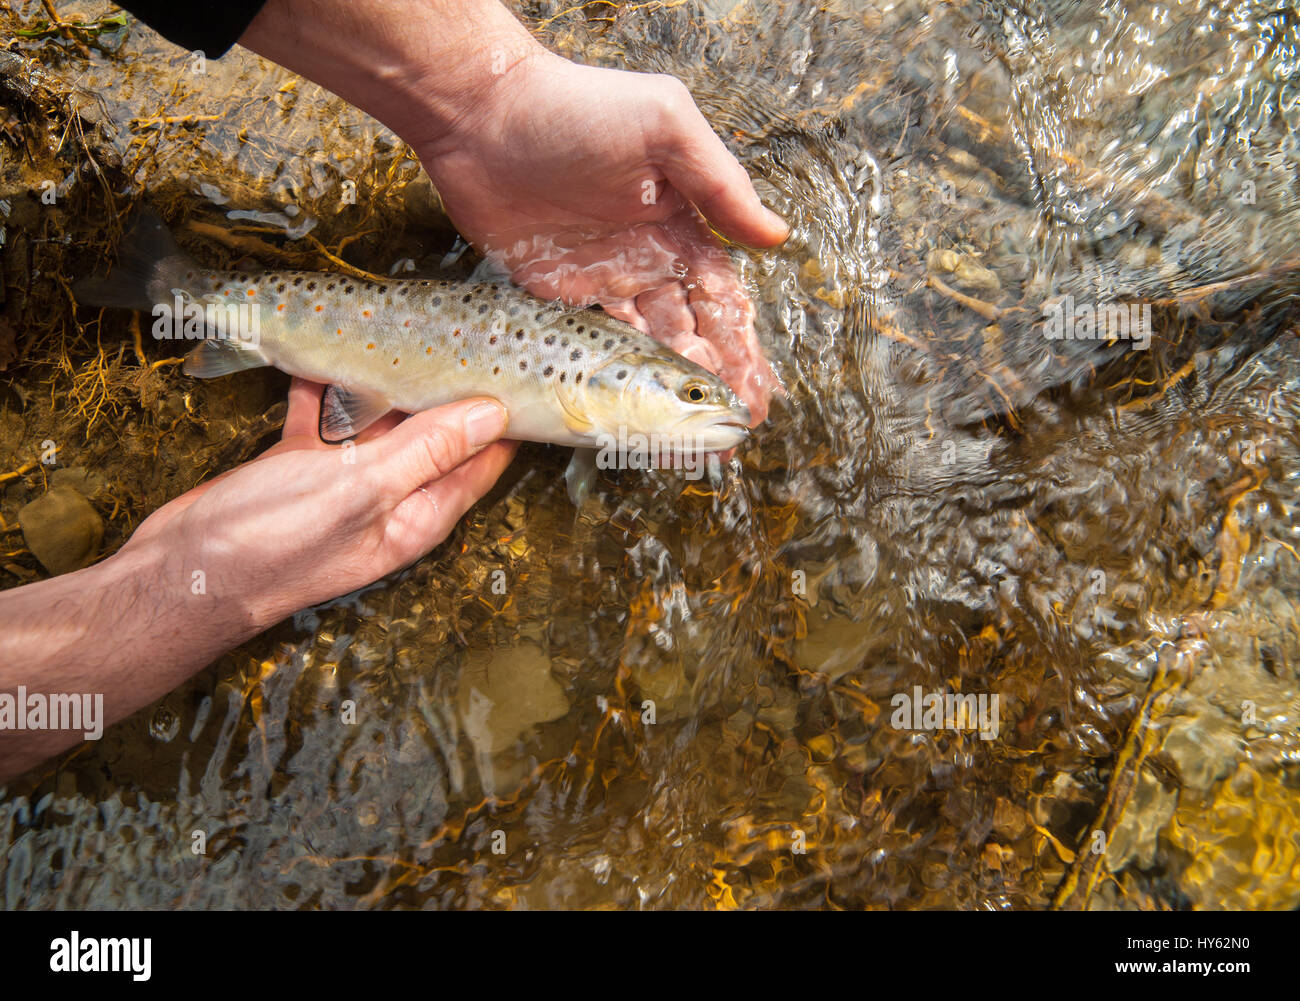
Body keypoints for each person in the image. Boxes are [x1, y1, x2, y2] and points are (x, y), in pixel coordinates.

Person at [0, 0, 787, 781]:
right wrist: (204, 589)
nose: (704, 414)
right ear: (606, 383)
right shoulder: (586, 399)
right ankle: (177, 287)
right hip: (337, 332)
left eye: (690, 399)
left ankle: (190, 293)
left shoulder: (599, 393)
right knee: (225, 307)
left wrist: (494, 95)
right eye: (688, 397)